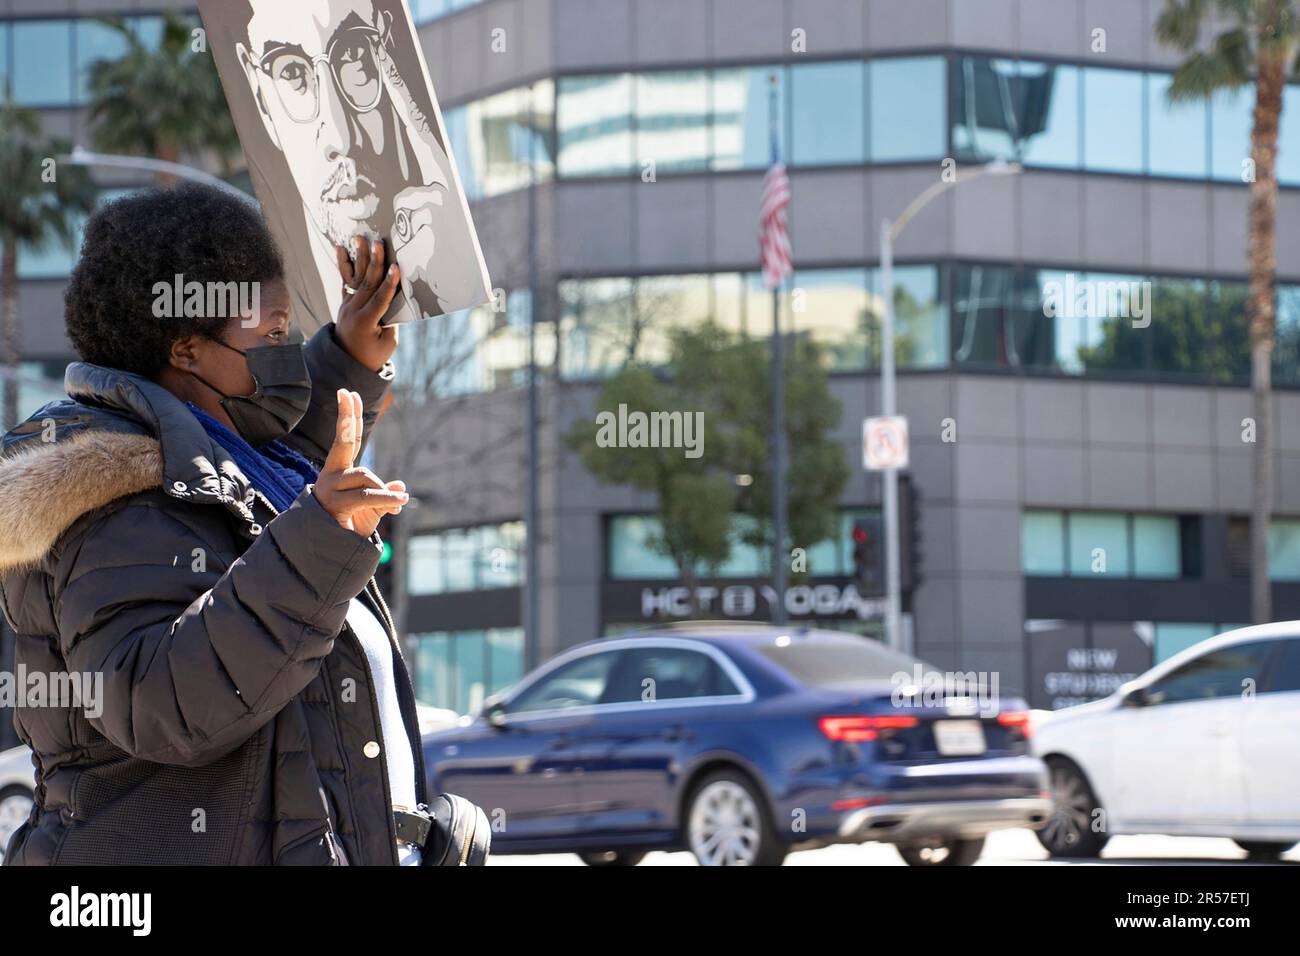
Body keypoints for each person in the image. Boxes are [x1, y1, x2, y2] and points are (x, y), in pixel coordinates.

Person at [0, 182, 431, 865]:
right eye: (273, 335)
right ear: (186, 346)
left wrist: (348, 355)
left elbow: (240, 506)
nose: (285, 355)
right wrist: (319, 536)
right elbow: (161, 702)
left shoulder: (240, 470)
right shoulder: (118, 501)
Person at [230, 0, 481, 324]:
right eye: (292, 72)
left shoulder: (444, 270)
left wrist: (462, 285)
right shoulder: (252, 312)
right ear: (261, 96)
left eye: (354, 57)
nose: (341, 137)